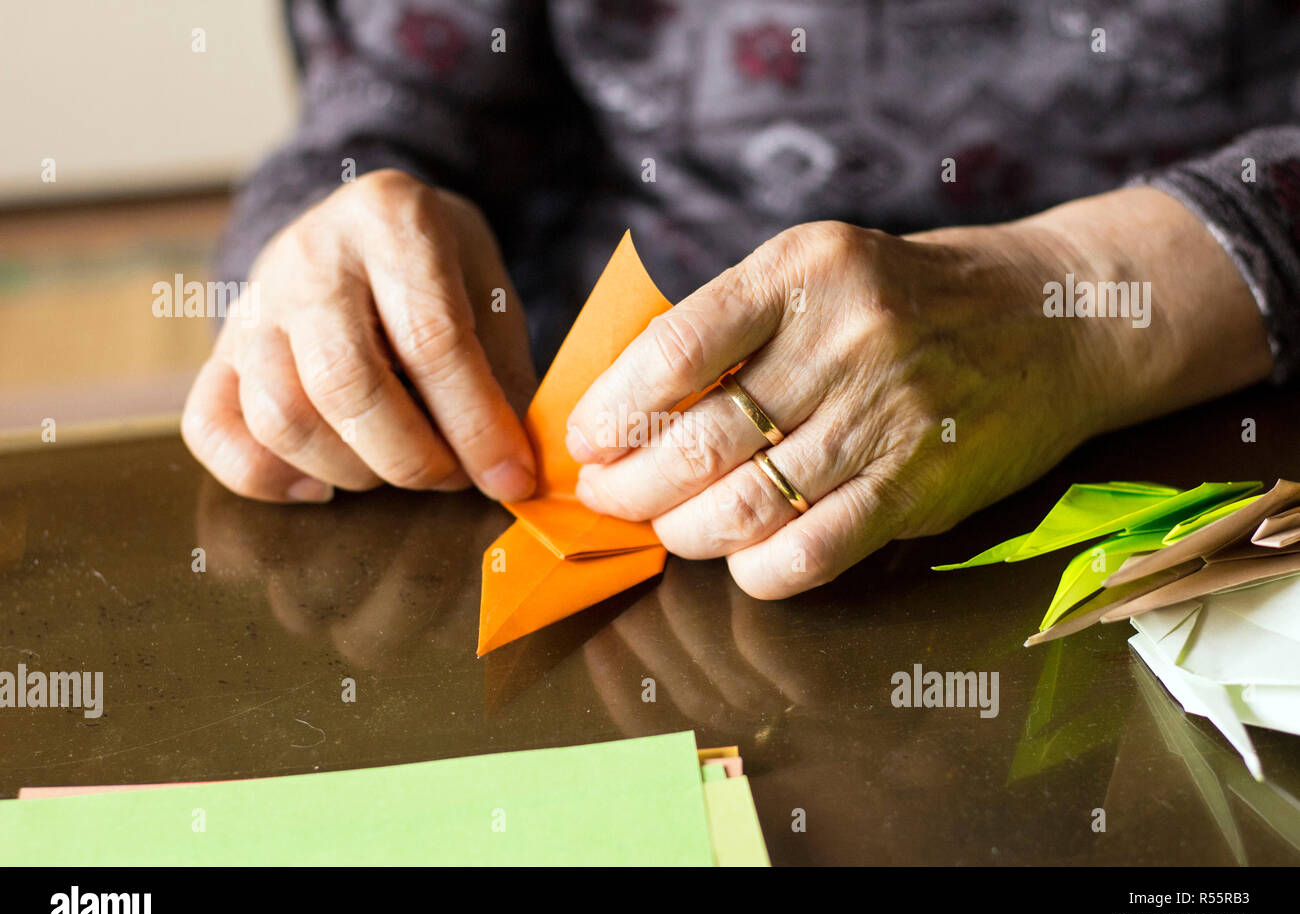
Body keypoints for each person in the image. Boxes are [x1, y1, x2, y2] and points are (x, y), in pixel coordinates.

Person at [183, 1, 1300, 600]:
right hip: (637, 486)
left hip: (1230, 446)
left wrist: (1084, 293)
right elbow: (394, 93)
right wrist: (324, 235)